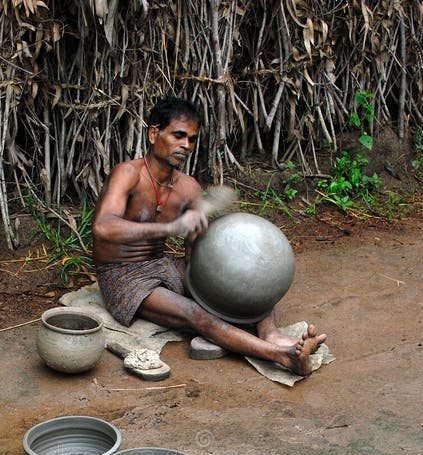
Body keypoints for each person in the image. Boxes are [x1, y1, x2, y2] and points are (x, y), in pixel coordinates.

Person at [92, 96, 326, 375]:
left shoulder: (188, 188)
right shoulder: (128, 173)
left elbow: (192, 253)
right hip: (123, 275)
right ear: (154, 134)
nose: (186, 145)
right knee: (196, 314)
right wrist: (170, 228)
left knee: (246, 282)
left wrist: (199, 244)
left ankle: (271, 334)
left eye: (192, 139)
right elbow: (103, 227)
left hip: (163, 264)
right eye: (178, 136)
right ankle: (283, 356)